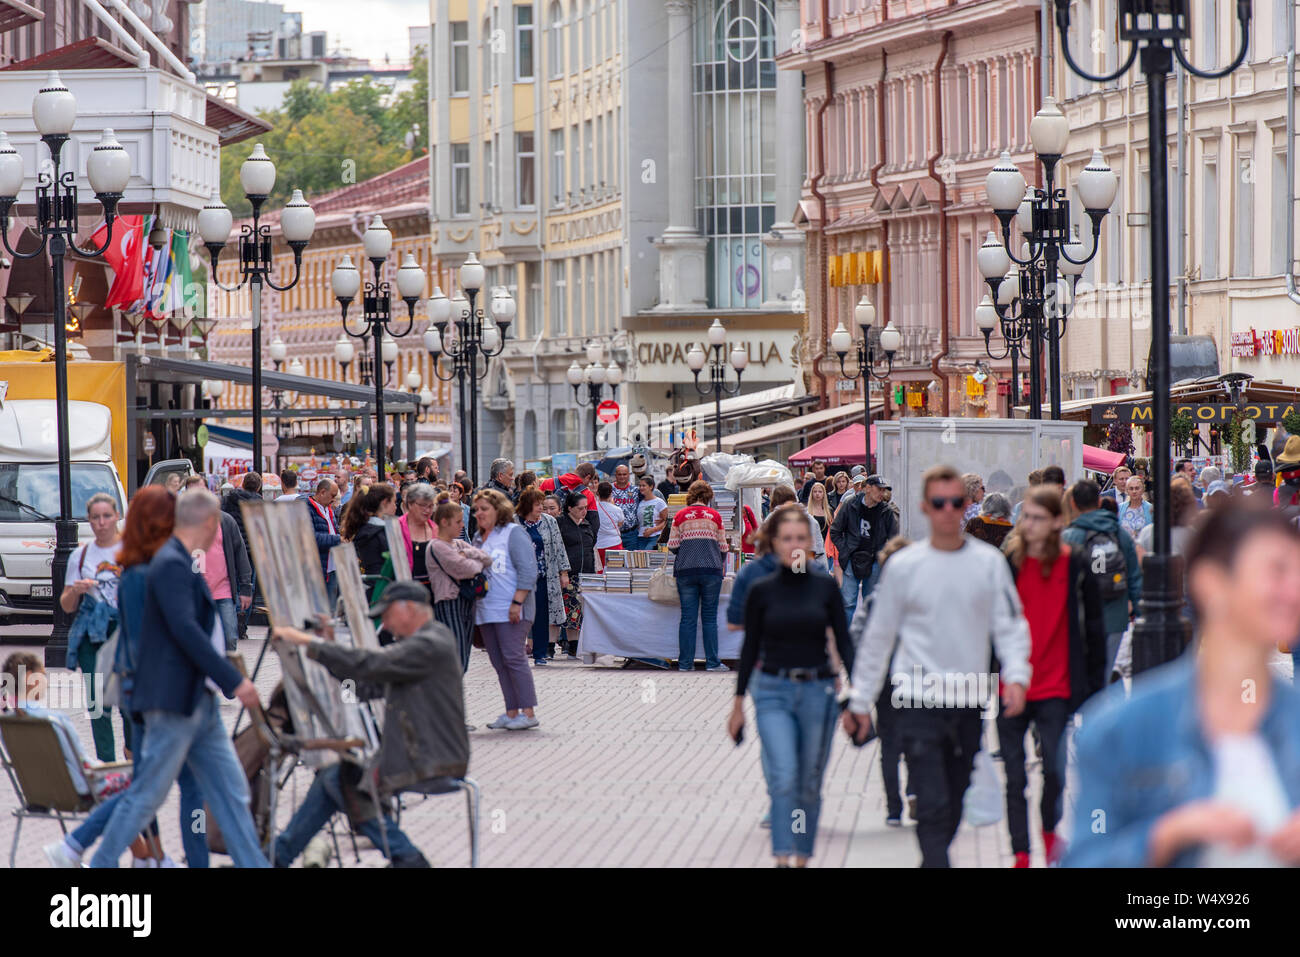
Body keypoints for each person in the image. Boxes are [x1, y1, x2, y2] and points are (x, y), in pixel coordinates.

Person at [1068, 501, 1300, 867]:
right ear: (1212, 583)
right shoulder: (1121, 729)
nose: (1294, 589)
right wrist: (1167, 835)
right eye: (1277, 571)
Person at [843, 464, 1031, 868]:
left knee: (955, 792)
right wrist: (859, 700)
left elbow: (1010, 625)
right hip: (916, 697)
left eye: (955, 503)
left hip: (966, 698)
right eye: (938, 503)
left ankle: (935, 855)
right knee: (930, 799)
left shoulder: (988, 563)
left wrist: (1016, 676)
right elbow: (877, 637)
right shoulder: (905, 568)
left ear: (967, 506)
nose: (948, 510)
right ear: (925, 507)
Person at [89, 490, 266, 868]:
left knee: (232, 792)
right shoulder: (170, 563)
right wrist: (233, 680)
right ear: (207, 522)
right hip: (174, 701)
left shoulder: (176, 559)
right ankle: (98, 862)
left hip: (196, 701)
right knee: (147, 795)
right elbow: (185, 629)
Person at [271, 580, 472, 868]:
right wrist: (328, 651)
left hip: (431, 757)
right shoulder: (422, 644)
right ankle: (276, 857)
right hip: (419, 752)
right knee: (337, 778)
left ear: (408, 609)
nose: (386, 625)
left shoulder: (430, 644)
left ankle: (407, 857)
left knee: (340, 780)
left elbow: (370, 664)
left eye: (387, 615)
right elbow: (363, 689)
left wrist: (311, 644)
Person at [728, 505, 854, 867]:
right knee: (783, 776)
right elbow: (749, 646)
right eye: (788, 539)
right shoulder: (761, 589)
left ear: (810, 543)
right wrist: (738, 704)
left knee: (808, 783)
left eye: (801, 538)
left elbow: (844, 642)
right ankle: (783, 857)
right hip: (772, 692)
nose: (795, 545)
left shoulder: (825, 587)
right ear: (775, 543)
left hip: (818, 692)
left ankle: (801, 856)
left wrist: (856, 695)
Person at [999, 485, 1107, 867]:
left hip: (1057, 685)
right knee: (1014, 776)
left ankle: (1048, 835)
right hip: (1012, 685)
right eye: (1026, 516)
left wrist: (1094, 686)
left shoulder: (1074, 562)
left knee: (1055, 772)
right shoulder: (1008, 563)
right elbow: (992, 627)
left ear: (1057, 521)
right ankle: (1021, 852)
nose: (1029, 524)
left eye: (1038, 518)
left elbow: (1093, 626)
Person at [1, 653, 163, 869]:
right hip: (80, 788)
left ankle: (142, 858)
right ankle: (153, 858)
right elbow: (82, 764)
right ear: (31, 677)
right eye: (43, 674)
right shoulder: (54, 720)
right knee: (142, 784)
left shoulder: (8, 722)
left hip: (38, 792)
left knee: (125, 796)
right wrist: (112, 767)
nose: (47, 679)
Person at [847, 535, 915, 828]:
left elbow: (857, 639)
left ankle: (893, 807)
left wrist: (859, 683)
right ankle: (913, 791)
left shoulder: (875, 601)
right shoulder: (921, 602)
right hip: (915, 681)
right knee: (916, 740)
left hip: (885, 681)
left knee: (889, 744)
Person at [60, 492, 125, 762]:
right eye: (95, 517)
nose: (101, 523)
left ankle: (133, 755)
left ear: (117, 516)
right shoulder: (80, 555)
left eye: (106, 516)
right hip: (92, 633)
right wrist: (76, 590)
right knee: (97, 704)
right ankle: (107, 764)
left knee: (130, 701)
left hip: (124, 630)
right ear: (88, 520)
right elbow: (66, 605)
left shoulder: (133, 551)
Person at [1061, 478, 1143, 678]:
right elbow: (1134, 576)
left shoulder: (1069, 537)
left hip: (1080, 616)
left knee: (1080, 673)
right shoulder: (1120, 534)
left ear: (1073, 504)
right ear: (1098, 503)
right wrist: (1139, 612)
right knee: (1105, 673)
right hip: (1115, 613)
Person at [472, 489, 540, 730]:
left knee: (514, 658)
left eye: (484, 509)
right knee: (499, 662)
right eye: (476, 509)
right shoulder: (478, 538)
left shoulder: (513, 533)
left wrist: (517, 602)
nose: (479, 513)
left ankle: (528, 712)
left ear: (498, 510)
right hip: (486, 610)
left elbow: (528, 570)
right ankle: (511, 712)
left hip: (511, 609)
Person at [668, 480, 730, 673]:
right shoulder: (716, 516)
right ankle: (712, 663)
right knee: (710, 618)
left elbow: (672, 546)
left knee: (687, 618)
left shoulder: (679, 516)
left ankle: (686, 664)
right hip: (711, 571)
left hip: (686, 571)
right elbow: (723, 547)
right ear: (708, 496)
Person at [425, 502, 492, 675]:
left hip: (466, 601)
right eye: (458, 521)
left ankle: (452, 693)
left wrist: (468, 554)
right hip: (448, 602)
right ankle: (446, 696)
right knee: (455, 655)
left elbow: (487, 558)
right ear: (445, 522)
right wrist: (473, 563)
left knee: (464, 655)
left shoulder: (459, 544)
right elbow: (465, 568)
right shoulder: (436, 546)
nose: (462, 525)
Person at [829, 474, 898, 622]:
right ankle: (844, 641)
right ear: (867, 488)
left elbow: (894, 539)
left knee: (871, 604)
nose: (882, 493)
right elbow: (835, 530)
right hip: (852, 558)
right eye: (878, 489)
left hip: (874, 560)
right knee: (847, 602)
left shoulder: (886, 511)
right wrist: (845, 549)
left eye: (883, 490)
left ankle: (867, 640)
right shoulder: (850, 504)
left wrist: (885, 556)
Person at [517, 489, 570, 666]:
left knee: (541, 616)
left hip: (544, 576)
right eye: (538, 504)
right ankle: (516, 650)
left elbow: (559, 546)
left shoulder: (549, 522)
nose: (542, 508)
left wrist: (563, 572)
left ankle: (540, 654)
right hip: (521, 577)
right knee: (521, 615)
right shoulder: (515, 523)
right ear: (527, 506)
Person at [200, 493, 254, 653]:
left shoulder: (226, 521)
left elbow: (240, 554)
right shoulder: (190, 523)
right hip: (200, 592)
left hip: (223, 592)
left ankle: (228, 672)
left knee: (230, 637)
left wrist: (245, 587)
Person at [556, 490, 597, 658]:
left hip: (586, 574)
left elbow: (591, 548)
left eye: (586, 508)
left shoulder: (586, 524)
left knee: (582, 612)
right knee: (572, 611)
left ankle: (579, 646)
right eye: (580, 508)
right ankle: (572, 647)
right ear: (570, 508)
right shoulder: (561, 524)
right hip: (569, 574)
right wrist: (562, 572)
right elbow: (558, 549)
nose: (584, 511)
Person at [223, 472, 263, 639]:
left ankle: (232, 618)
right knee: (248, 585)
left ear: (244, 484)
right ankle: (242, 622)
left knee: (233, 583)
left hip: (232, 547)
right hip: (252, 549)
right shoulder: (259, 503)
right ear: (258, 487)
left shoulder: (229, 499)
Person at [341, 483, 397, 578]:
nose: (395, 506)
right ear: (384, 502)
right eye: (394, 502)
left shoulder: (366, 528)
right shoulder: (377, 533)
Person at [305, 478, 342, 608]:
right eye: (332, 495)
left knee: (330, 611)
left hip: (331, 567)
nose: (333, 499)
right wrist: (338, 539)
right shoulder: (307, 508)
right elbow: (311, 538)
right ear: (322, 492)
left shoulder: (328, 509)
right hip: (318, 568)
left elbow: (333, 530)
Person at [398, 482, 438, 596]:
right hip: (406, 594)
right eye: (422, 505)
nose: (427, 510)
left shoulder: (435, 529)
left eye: (430, 506)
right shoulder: (397, 527)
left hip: (433, 593)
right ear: (410, 504)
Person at [609, 463, 642, 550]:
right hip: (614, 534)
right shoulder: (609, 489)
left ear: (628, 475)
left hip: (631, 534)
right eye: (619, 474)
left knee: (631, 561)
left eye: (624, 474)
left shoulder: (636, 490)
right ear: (615, 475)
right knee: (615, 561)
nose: (622, 477)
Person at [594, 481, 625, 567]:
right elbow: (620, 523)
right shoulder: (617, 509)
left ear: (598, 493)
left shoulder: (593, 508)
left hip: (598, 544)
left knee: (600, 573)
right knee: (615, 572)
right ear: (611, 493)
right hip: (614, 544)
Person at [635, 475, 668, 549]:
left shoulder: (659, 502)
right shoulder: (640, 502)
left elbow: (668, 521)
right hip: (641, 537)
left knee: (647, 557)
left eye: (644, 485)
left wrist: (653, 529)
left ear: (651, 487)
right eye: (640, 486)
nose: (641, 488)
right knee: (640, 559)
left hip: (654, 537)